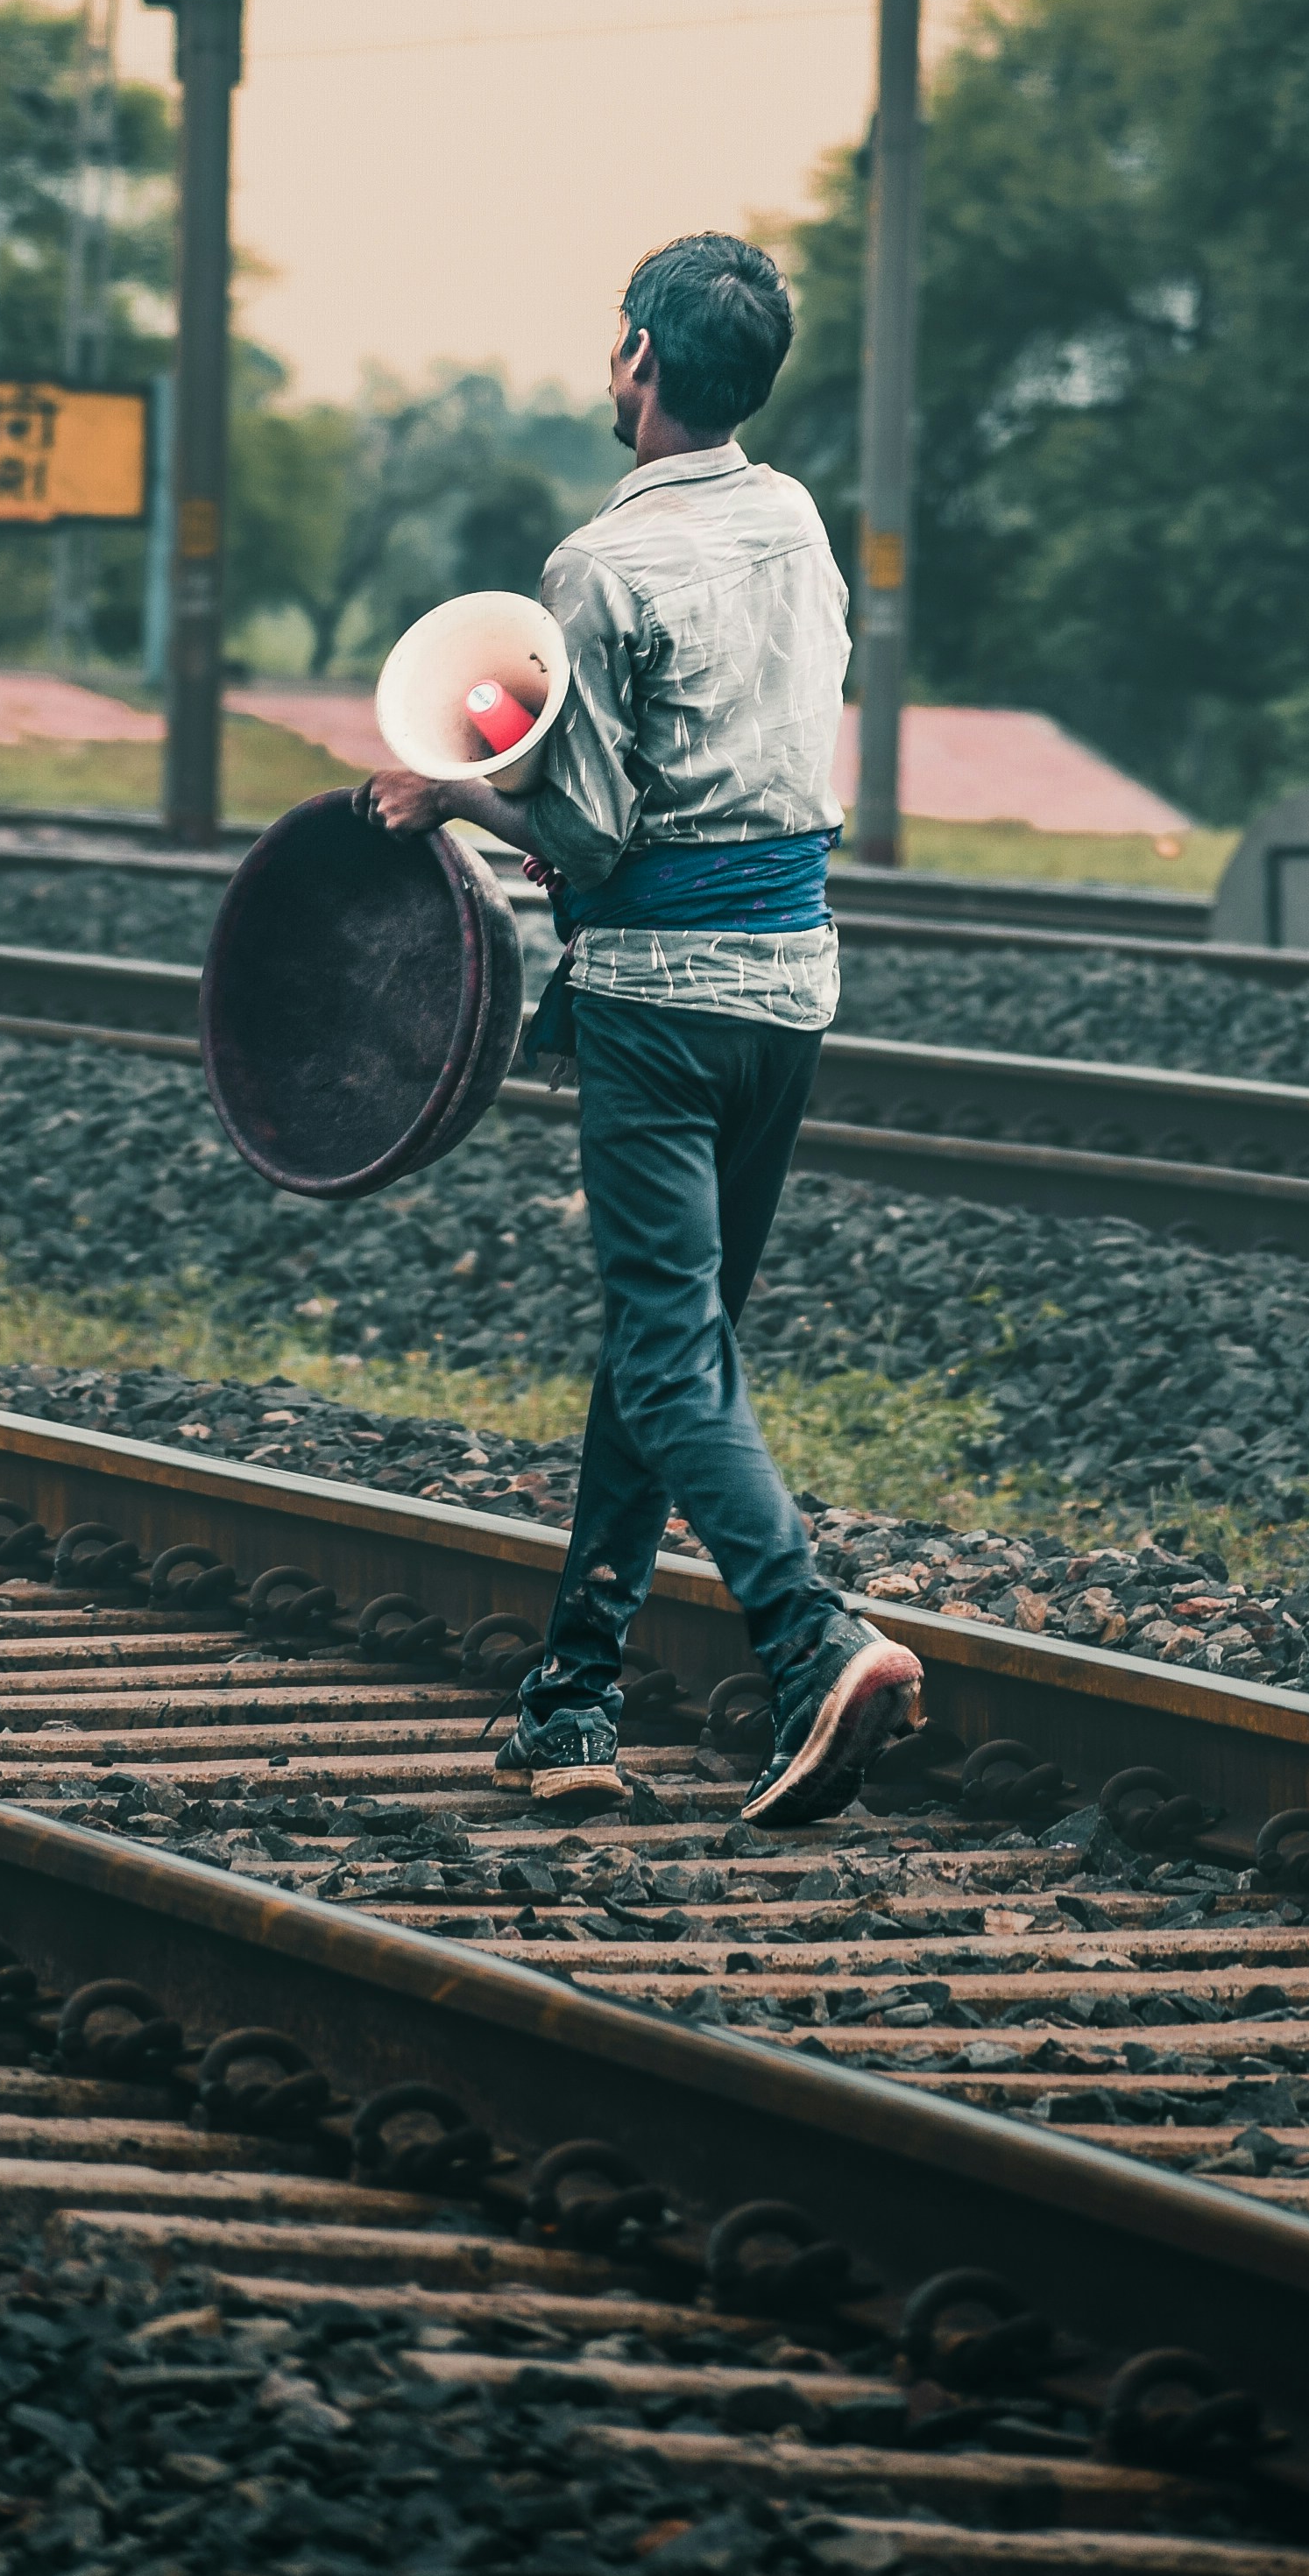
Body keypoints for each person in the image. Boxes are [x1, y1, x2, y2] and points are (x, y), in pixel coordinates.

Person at [366, 233, 923, 1827]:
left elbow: (594, 836)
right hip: (791, 989)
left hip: (661, 1002)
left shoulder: (598, 567)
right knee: (670, 1343)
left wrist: (451, 795)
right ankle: (572, 1698)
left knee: (675, 1357)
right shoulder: (800, 522)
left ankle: (814, 1643)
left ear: (638, 362)